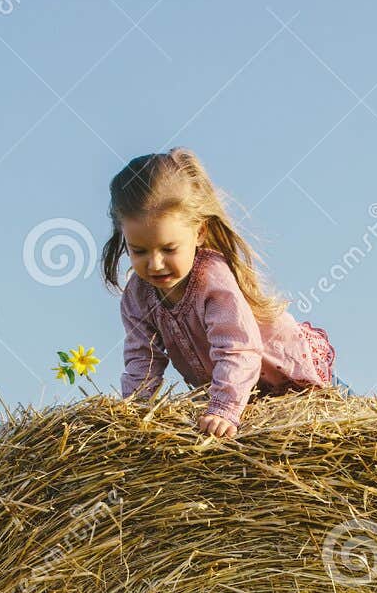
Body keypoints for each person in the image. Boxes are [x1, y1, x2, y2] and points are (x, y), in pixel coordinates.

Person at [104, 148, 338, 438]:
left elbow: (239, 349)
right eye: (138, 251)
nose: (155, 263)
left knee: (353, 436)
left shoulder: (211, 279)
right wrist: (133, 415)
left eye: (169, 249)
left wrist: (223, 408)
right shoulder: (137, 297)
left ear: (199, 233)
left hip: (294, 380)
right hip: (249, 398)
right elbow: (142, 358)